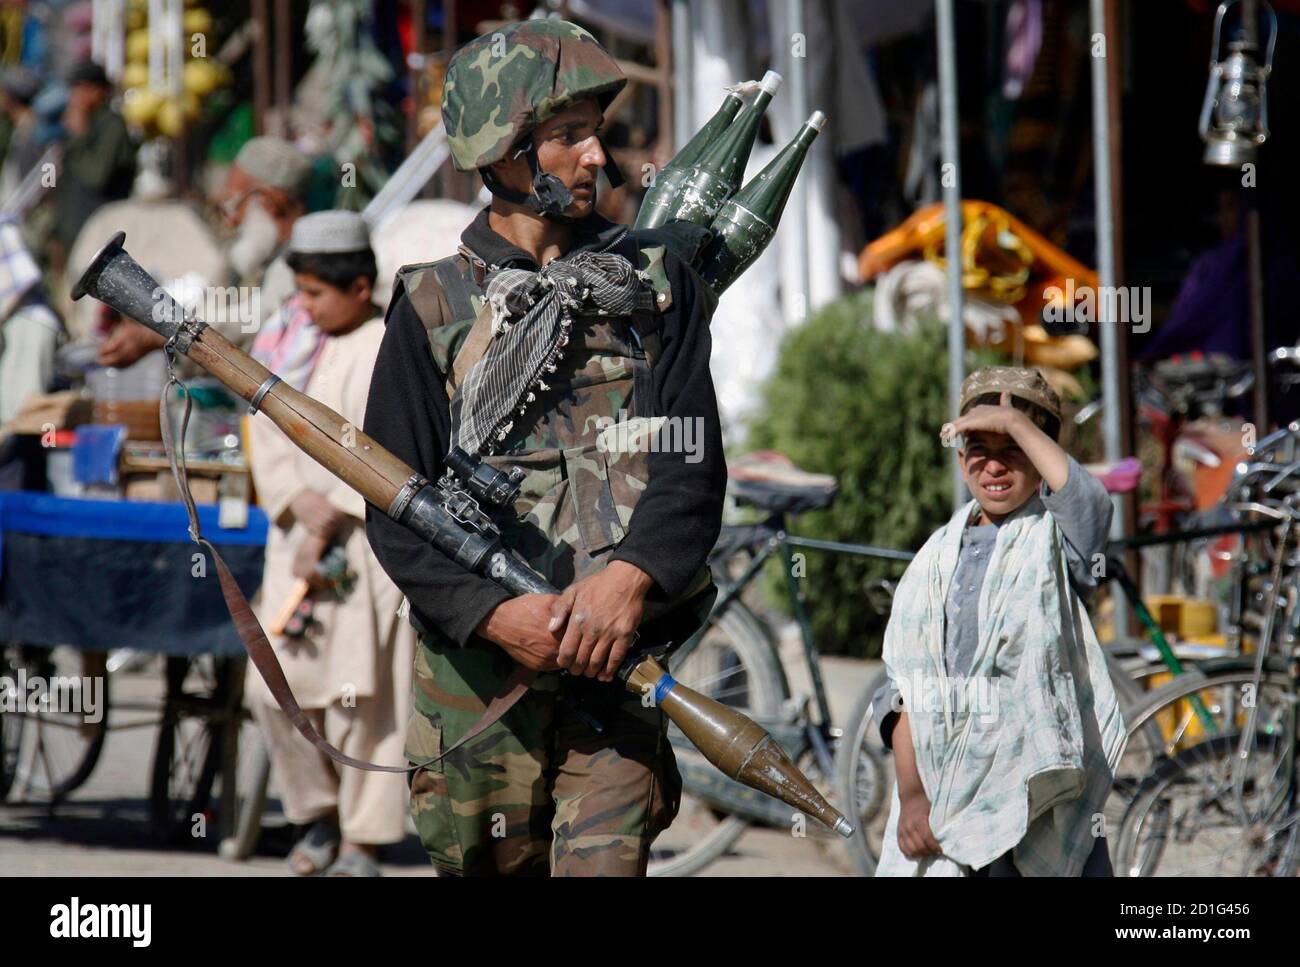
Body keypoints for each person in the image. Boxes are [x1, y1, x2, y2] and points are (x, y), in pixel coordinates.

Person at [362, 18, 725, 876]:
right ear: (503, 153)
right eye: (568, 136)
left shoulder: (655, 289)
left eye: (597, 133)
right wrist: (495, 614)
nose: (597, 157)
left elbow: (692, 465)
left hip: (620, 669)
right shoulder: (430, 309)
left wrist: (630, 578)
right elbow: (393, 502)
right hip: (480, 686)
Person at [872, 366, 1126, 876]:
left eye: (1013, 449)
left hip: (1036, 791)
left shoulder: (1056, 543)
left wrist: (1015, 423)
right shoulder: (934, 559)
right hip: (945, 794)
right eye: (979, 448)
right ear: (961, 457)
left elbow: (1092, 506)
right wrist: (913, 795)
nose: (994, 465)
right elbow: (902, 690)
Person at [245, 210, 414, 877]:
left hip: (364, 549)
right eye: (302, 291)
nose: (305, 306)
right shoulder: (288, 341)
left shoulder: (387, 346)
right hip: (293, 545)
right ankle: (314, 816)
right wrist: (294, 502)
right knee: (275, 687)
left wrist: (333, 512)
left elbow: (397, 453)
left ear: (360, 286)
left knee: (363, 696)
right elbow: (263, 428)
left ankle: (361, 842)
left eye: (317, 293)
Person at [97, 135, 313, 368]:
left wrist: (158, 334)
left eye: (233, 204)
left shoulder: (302, 262)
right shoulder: (268, 261)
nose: (231, 221)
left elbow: (254, 322)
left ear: (272, 201)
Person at [54, 61, 135, 255]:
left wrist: (79, 137)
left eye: (81, 89)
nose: (75, 97)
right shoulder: (87, 124)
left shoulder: (112, 126)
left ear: (97, 90)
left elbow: (96, 177)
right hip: (77, 234)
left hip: (101, 234)